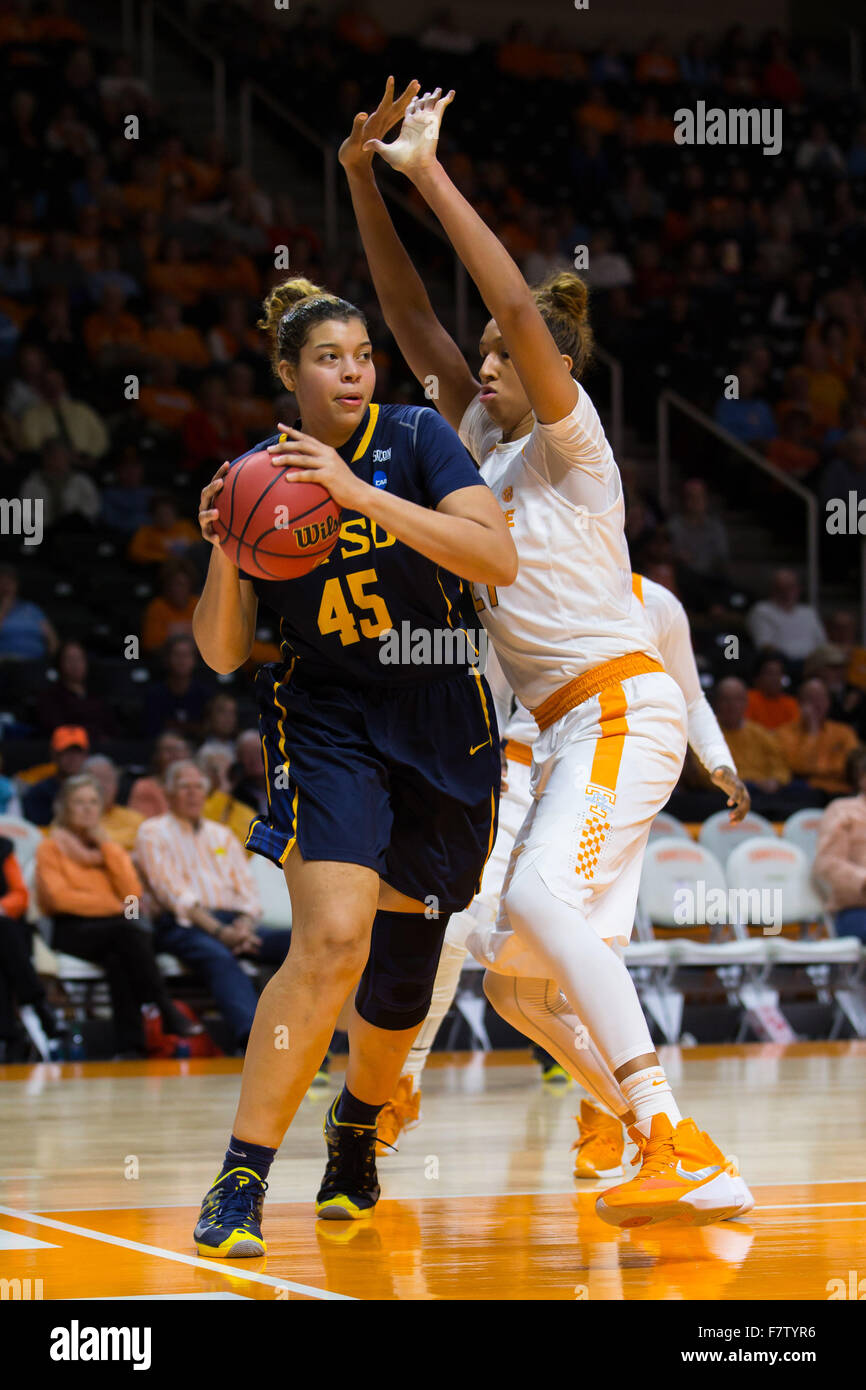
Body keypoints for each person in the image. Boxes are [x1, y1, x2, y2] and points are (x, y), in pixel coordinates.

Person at [344, 80, 751, 1228]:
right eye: (480, 360)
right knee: (517, 975)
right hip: (563, 722)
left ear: (546, 375)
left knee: (527, 900)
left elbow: (511, 305)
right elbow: (410, 316)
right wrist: (359, 181)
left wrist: (428, 173)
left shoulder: (574, 453)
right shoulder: (479, 451)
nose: (483, 366)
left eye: (502, 359)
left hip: (620, 706)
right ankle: (654, 1140)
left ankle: (673, 1134)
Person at [190, 229, 515, 1252]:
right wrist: (222, 551)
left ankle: (357, 1126)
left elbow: (493, 555)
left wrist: (359, 492)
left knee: (398, 985)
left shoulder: (417, 437)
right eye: (327, 358)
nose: (350, 370)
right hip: (329, 718)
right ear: (286, 375)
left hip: (442, 720)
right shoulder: (254, 477)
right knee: (329, 939)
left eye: (361, 355)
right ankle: (240, 1176)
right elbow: (219, 654)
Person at [376, 571, 750, 1158]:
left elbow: (691, 694)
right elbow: (489, 686)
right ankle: (402, 1086)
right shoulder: (526, 584)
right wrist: (475, 756)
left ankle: (608, 1116)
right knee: (452, 932)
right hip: (516, 771)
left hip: (606, 753)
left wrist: (719, 761)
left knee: (590, 948)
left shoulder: (659, 605)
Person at [135, 761, 290, 1055]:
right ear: (168, 793)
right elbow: (173, 894)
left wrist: (242, 926)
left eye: (198, 787)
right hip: (183, 925)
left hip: (235, 924)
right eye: (184, 787)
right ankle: (256, 1043)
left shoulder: (222, 835)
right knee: (218, 956)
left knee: (298, 943)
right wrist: (223, 934)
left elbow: (248, 890)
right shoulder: (152, 832)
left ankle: (317, 1038)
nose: (193, 794)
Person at [35, 774, 193, 1058]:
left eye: (93, 802)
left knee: (120, 958)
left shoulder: (109, 849)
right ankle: (164, 1007)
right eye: (79, 802)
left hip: (115, 931)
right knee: (129, 932)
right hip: (70, 929)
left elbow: (132, 894)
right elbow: (58, 899)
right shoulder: (50, 847)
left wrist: (108, 847)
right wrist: (115, 906)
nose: (87, 809)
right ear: (64, 808)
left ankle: (130, 1047)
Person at [0, 835, 59, 1060]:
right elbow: (61, 898)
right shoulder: (55, 847)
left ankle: (9, 1036)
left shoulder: (3, 847)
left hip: (7, 926)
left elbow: (20, 895)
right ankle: (39, 1004)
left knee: (3, 934)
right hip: (11, 935)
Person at [774, 678, 859, 801]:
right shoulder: (784, 733)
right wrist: (812, 732)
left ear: (829, 702)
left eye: (821, 698)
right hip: (804, 793)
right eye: (810, 699)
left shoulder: (845, 732)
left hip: (842, 792)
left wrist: (819, 769)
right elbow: (798, 768)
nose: (817, 704)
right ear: (800, 703)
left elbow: (851, 767)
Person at [813, 747, 866, 941]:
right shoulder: (842, 811)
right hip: (856, 909)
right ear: (862, 777)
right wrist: (863, 880)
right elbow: (827, 864)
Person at [33, 639, 117, 740]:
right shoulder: (51, 695)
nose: (75, 664)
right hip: (70, 749)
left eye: (79, 659)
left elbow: (111, 727)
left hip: (102, 750)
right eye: (69, 659)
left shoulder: (97, 694)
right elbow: (56, 729)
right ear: (59, 663)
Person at [747, 568, 827, 665]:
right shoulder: (761, 610)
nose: (787, 592)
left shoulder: (808, 612)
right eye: (781, 588)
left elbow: (822, 643)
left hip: (813, 663)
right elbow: (764, 646)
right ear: (773, 589)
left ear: (799, 589)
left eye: (791, 587)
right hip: (784, 664)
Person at [22, 725, 90, 827]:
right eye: (66, 752)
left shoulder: (94, 790)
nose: (72, 758)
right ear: (54, 755)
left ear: (86, 756)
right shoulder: (38, 793)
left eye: (77, 752)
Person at [83, 754, 144, 851]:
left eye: (107, 779)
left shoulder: (136, 819)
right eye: (96, 780)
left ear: (116, 785)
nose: (102, 786)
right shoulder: (75, 820)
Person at [127, 730, 191, 819]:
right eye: (168, 750)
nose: (174, 755)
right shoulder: (144, 787)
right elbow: (143, 823)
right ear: (157, 756)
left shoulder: (198, 784)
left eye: (178, 749)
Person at [0, 563, 58, 661]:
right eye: (3, 582)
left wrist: (48, 660)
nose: (7, 586)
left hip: (34, 662)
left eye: (10, 582)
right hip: (5, 663)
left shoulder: (32, 609)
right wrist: (4, 608)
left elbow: (53, 640)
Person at [745, 651, 799, 730]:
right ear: (758, 678)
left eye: (778, 673)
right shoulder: (748, 700)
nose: (775, 678)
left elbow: (795, 732)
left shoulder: (791, 703)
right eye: (769, 673)